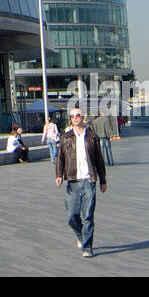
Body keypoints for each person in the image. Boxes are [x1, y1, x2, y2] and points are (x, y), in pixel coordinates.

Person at [55, 105, 106, 258]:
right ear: (70, 119)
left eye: (78, 115)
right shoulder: (66, 138)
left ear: (83, 117)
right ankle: (80, 235)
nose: (75, 118)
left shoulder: (92, 136)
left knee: (88, 215)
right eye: (72, 116)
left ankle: (87, 247)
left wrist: (103, 180)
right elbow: (60, 158)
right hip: (73, 180)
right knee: (72, 216)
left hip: (89, 180)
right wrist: (58, 174)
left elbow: (99, 159)